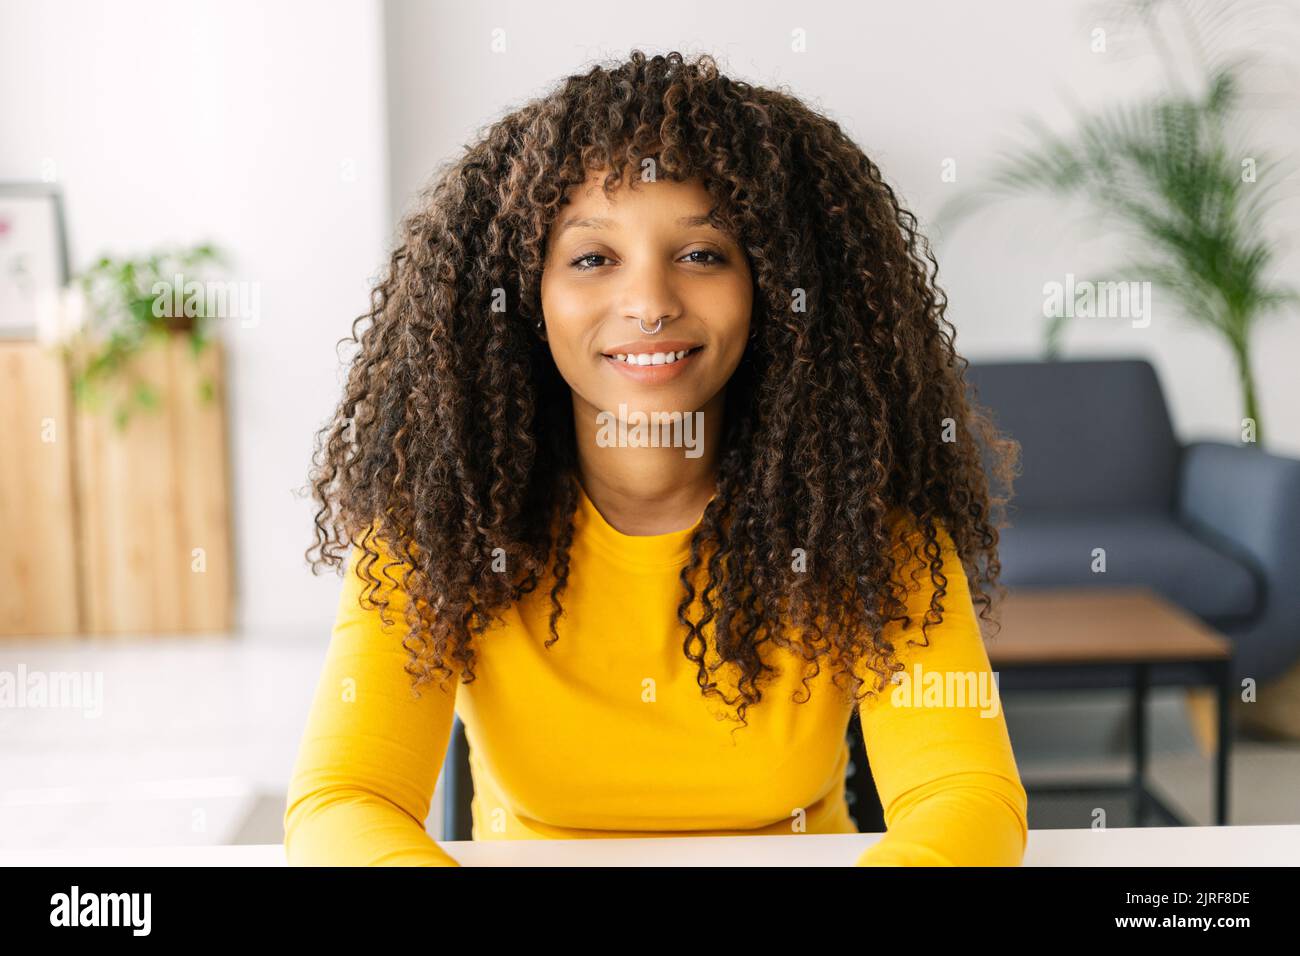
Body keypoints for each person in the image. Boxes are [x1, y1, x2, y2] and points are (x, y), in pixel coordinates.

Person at [284, 50, 1026, 866]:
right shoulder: (441, 533)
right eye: (593, 259)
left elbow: (966, 797)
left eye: (703, 254)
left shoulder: (864, 532)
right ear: (524, 293)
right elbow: (341, 803)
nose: (648, 304)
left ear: (772, 290)